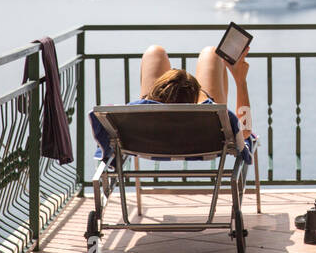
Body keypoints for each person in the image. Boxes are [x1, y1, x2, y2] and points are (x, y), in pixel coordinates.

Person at [90, 44, 255, 165]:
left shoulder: (126, 114)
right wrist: (241, 81)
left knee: (154, 52)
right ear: (195, 96)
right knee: (211, 53)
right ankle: (187, 92)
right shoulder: (219, 115)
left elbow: (107, 134)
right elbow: (245, 131)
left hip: (149, 143)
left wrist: (150, 98)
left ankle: (159, 100)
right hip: (204, 143)